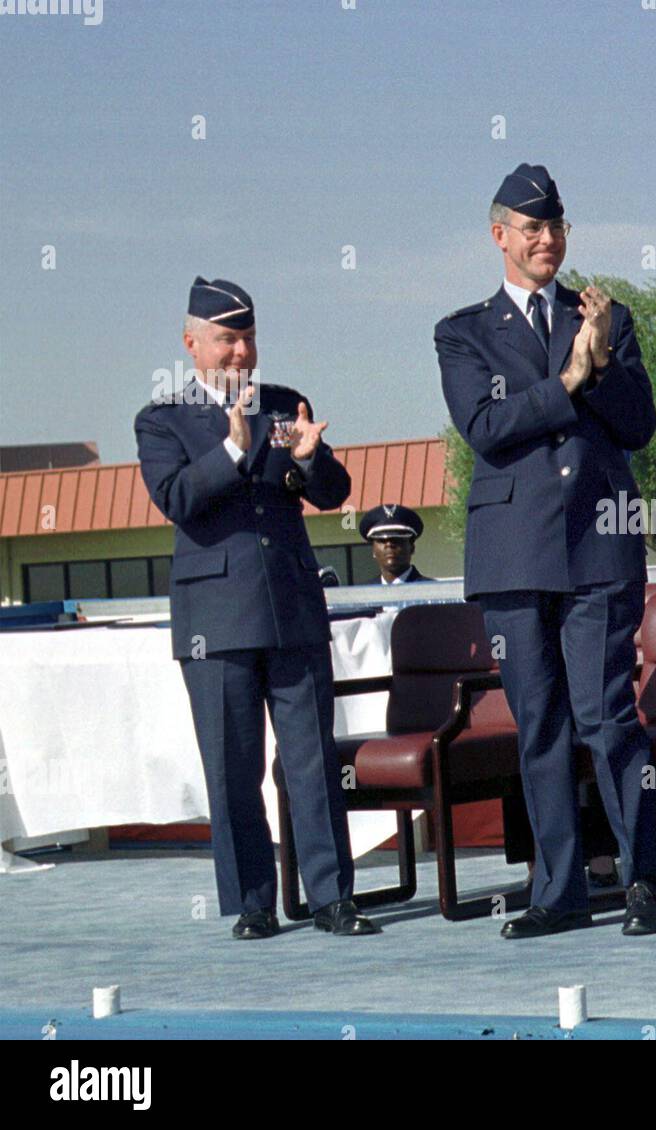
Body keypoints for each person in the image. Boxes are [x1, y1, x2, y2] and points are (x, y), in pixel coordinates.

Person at [435, 164, 656, 939]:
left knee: (609, 719)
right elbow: (487, 428)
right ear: (498, 236)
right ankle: (559, 891)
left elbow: (640, 426)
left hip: (597, 549)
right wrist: (566, 381)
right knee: (538, 725)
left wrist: (597, 365)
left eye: (556, 227)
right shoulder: (463, 332)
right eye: (531, 229)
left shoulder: (606, 317)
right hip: (515, 557)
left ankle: (644, 880)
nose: (547, 240)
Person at [134, 277, 378, 939]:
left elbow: (331, 492)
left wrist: (310, 458)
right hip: (216, 621)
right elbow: (179, 498)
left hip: (292, 607)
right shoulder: (162, 420)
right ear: (191, 344)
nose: (240, 352)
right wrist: (236, 448)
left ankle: (332, 898)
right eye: (225, 339)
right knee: (234, 768)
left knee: (311, 761)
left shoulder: (282, 404)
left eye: (247, 337)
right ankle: (253, 902)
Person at [359, 503, 435, 584]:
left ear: (412, 548)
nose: (389, 545)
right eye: (382, 540)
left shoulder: (435, 591)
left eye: (397, 539)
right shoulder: (362, 594)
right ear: (373, 550)